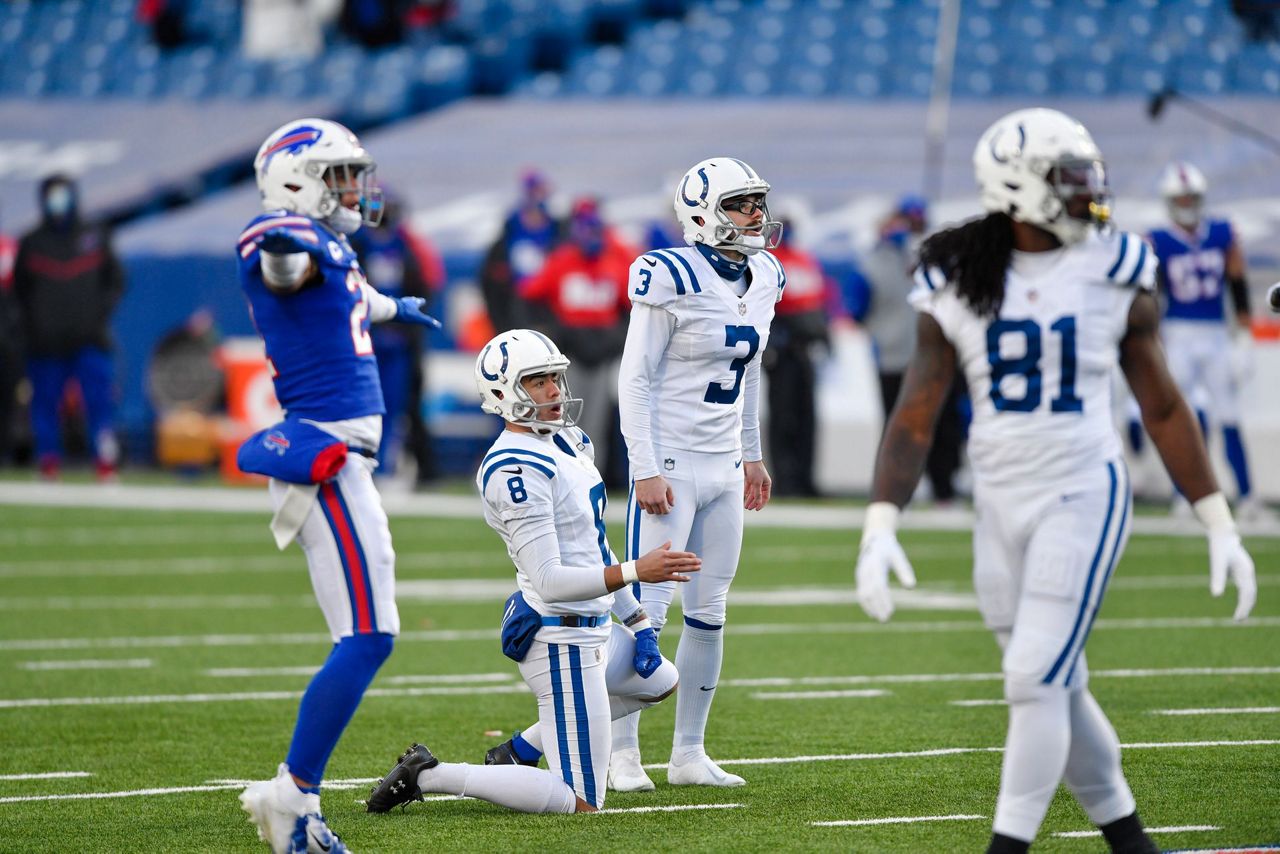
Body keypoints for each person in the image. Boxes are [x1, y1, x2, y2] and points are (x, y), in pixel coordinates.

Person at [853, 108, 1257, 854]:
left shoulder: (1116, 265)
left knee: (1034, 677)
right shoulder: (954, 275)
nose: (1088, 194)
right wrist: (880, 522)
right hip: (997, 501)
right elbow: (917, 412)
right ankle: (1133, 844)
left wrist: (1218, 520)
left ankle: (1006, 848)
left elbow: (1162, 403)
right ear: (1018, 185)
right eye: (1071, 180)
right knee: (1054, 682)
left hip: (1083, 489)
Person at [364, 329, 699, 815]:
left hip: (594, 626)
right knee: (581, 803)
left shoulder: (570, 442)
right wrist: (636, 570)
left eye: (554, 379)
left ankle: (519, 749)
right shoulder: (513, 467)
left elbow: (594, 546)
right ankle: (431, 775)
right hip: (559, 639)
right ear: (503, 392)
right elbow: (551, 580)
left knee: (660, 682)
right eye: (537, 381)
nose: (554, 391)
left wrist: (638, 622)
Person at [234, 118, 441, 854]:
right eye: (339, 175)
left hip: (346, 456)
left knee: (365, 633)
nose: (354, 189)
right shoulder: (279, 236)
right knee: (368, 636)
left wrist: (397, 306)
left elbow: (349, 299)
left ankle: (293, 792)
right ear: (295, 178)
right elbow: (276, 260)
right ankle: (292, 795)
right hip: (328, 455)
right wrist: (294, 231)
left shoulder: (336, 250)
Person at [610, 157, 785, 792]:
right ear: (703, 213)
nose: (756, 215)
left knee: (709, 609)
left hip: (723, 465)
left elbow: (752, 369)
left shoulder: (765, 274)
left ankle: (688, 753)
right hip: (674, 464)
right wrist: (645, 466)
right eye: (742, 204)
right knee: (645, 614)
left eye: (758, 202)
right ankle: (621, 753)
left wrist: (753, 453)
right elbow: (634, 376)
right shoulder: (668, 273)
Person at [1147, 161, 1264, 518]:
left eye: (1190, 198)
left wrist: (1244, 334)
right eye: (1179, 199)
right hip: (1178, 332)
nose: (1186, 204)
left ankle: (1246, 496)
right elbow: (1152, 296)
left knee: (1228, 415)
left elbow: (1238, 283)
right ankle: (1186, 495)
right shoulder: (1158, 240)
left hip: (1215, 333)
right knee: (1186, 415)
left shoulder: (1223, 233)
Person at [13, 174, 125, 481]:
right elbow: (19, 292)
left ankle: (105, 462)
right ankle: (48, 462)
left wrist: (96, 316)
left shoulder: (94, 235)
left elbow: (115, 281)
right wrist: (35, 324)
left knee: (99, 403)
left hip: (89, 338)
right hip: (45, 343)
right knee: (45, 404)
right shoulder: (32, 242)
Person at [518, 197, 635, 487]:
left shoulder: (614, 263)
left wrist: (613, 340)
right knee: (560, 419)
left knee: (595, 423)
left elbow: (630, 308)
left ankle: (591, 481)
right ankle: (559, 479)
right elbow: (530, 296)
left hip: (603, 356)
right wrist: (555, 334)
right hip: (566, 356)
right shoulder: (562, 261)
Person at [858, 194, 965, 505]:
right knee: (899, 427)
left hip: (936, 356)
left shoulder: (936, 258)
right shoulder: (876, 261)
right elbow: (857, 307)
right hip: (894, 357)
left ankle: (944, 487)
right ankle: (895, 491)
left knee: (943, 426)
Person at [347, 193, 444, 483]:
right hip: (367, 337)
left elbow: (427, 283)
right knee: (364, 405)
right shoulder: (356, 243)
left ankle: (384, 466)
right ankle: (361, 463)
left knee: (395, 405)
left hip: (398, 338)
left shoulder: (405, 244)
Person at [761, 215, 830, 497]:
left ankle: (806, 478)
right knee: (783, 417)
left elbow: (817, 301)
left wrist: (824, 336)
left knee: (807, 416)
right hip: (782, 350)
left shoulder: (804, 259)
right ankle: (786, 480)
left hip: (805, 350)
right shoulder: (767, 262)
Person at [479, 170, 561, 334]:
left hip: (546, 307)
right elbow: (489, 283)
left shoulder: (557, 231)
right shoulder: (509, 232)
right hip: (515, 305)